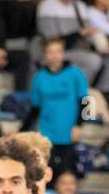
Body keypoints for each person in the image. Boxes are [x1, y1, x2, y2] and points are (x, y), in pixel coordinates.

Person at [35, 0, 109, 87]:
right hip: (55, 53)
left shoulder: (80, 6)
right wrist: (78, 34)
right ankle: (76, 95)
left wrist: (103, 44)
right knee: (93, 60)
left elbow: (88, 36)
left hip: (79, 49)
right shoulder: (47, 5)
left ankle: (102, 94)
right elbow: (51, 41)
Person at [28, 37, 87, 176]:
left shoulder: (75, 74)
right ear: (44, 55)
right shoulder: (39, 77)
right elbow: (35, 109)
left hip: (70, 135)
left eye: (58, 51)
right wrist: (21, 130)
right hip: (47, 136)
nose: (54, 56)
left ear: (63, 53)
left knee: (69, 175)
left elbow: (87, 102)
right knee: (48, 176)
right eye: (50, 52)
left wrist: (79, 126)